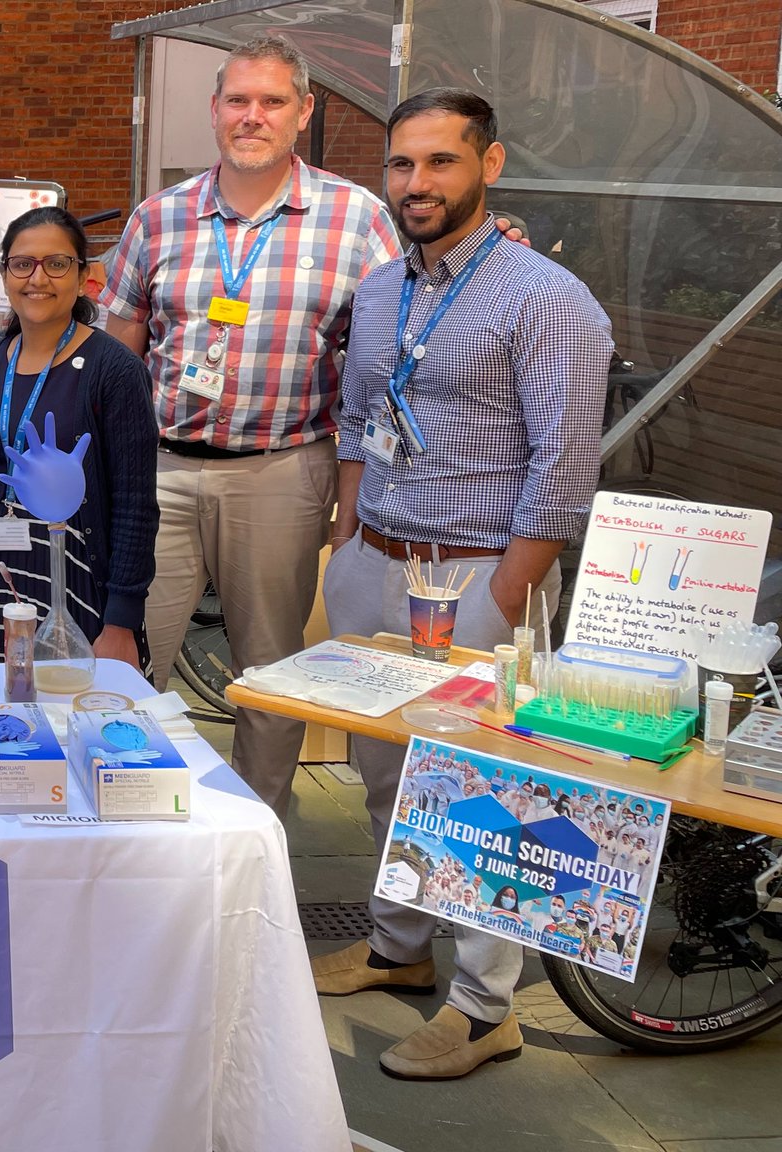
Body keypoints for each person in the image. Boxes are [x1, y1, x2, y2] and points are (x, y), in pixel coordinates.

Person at [309, 88, 612, 1081]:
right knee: (389, 775)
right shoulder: (379, 290)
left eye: (439, 162)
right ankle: (397, 949)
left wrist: (510, 592)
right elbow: (358, 421)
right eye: (400, 165)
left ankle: (485, 1007)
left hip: (482, 575)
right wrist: (349, 539)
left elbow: (562, 469)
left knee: (488, 794)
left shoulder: (542, 296)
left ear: (487, 165)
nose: (414, 183)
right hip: (376, 565)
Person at [98, 37, 402, 816]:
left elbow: (387, 358)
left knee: (270, 673)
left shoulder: (358, 221)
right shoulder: (159, 217)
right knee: (127, 658)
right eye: (238, 100)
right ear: (214, 111)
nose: (252, 116)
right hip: (159, 473)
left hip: (283, 471)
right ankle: (132, 823)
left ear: (303, 112)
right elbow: (116, 357)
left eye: (272, 101)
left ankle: (258, 830)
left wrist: (351, 497)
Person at [0, 207, 159, 666]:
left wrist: (122, 619)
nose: (37, 278)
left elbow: (135, 503)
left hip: (76, 578)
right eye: (22, 264)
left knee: (73, 716)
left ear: (83, 276)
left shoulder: (115, 370)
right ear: (4, 275)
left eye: (57, 263)